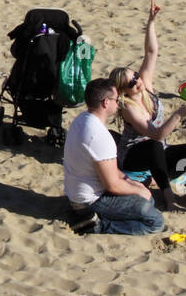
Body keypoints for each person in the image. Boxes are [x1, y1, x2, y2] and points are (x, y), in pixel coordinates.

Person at [108, 1, 186, 196]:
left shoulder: (145, 85)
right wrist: (179, 114)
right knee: (155, 146)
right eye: (131, 83)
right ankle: (166, 192)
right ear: (123, 91)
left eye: (136, 77)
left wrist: (151, 21)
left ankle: (161, 175)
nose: (137, 82)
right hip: (134, 155)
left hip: (160, 151)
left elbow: (151, 52)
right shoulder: (128, 108)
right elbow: (156, 135)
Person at [63, 78, 167, 236]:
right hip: (90, 201)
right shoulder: (100, 135)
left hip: (77, 194)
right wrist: (139, 191)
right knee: (155, 220)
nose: (119, 102)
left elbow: (110, 171)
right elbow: (112, 185)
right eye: (116, 99)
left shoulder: (81, 120)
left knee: (144, 194)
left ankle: (93, 217)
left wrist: (132, 182)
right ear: (106, 103)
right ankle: (96, 226)